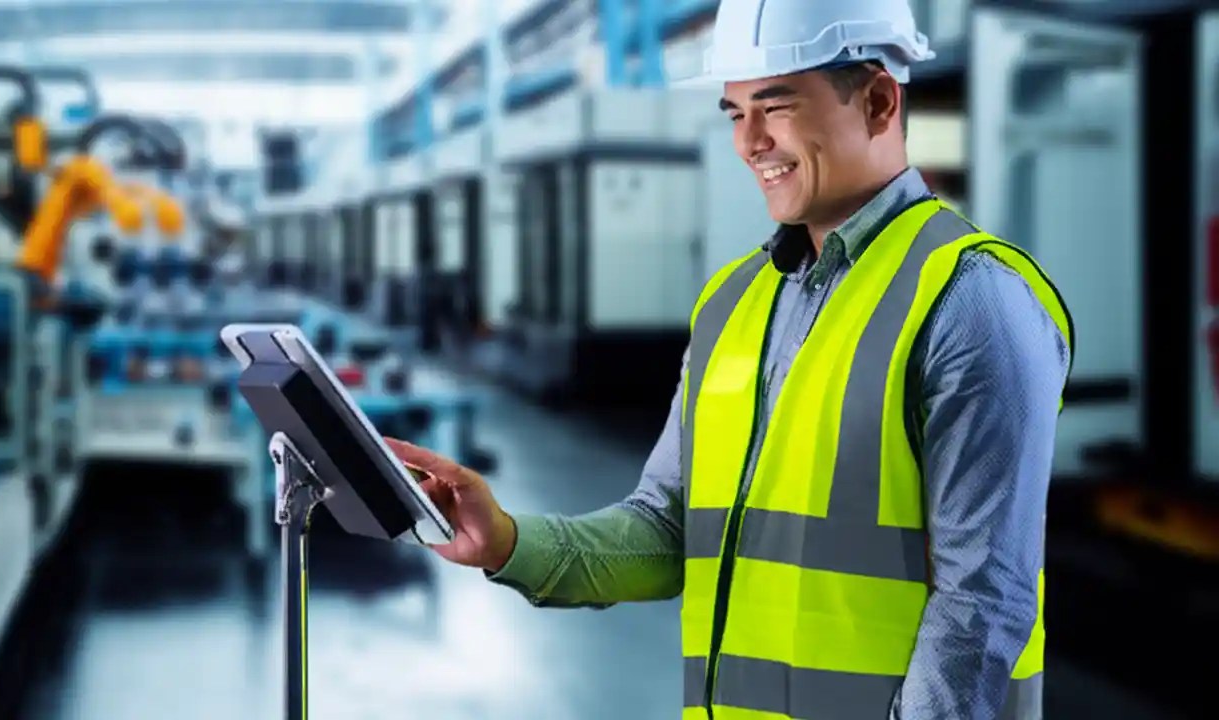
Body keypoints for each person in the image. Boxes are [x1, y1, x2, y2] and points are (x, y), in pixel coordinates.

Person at [386, 1, 1073, 718]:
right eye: (735, 112)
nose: (749, 142)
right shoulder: (732, 303)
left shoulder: (972, 299)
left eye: (776, 107)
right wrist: (506, 540)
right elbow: (665, 529)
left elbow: (981, 606)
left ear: (877, 101)